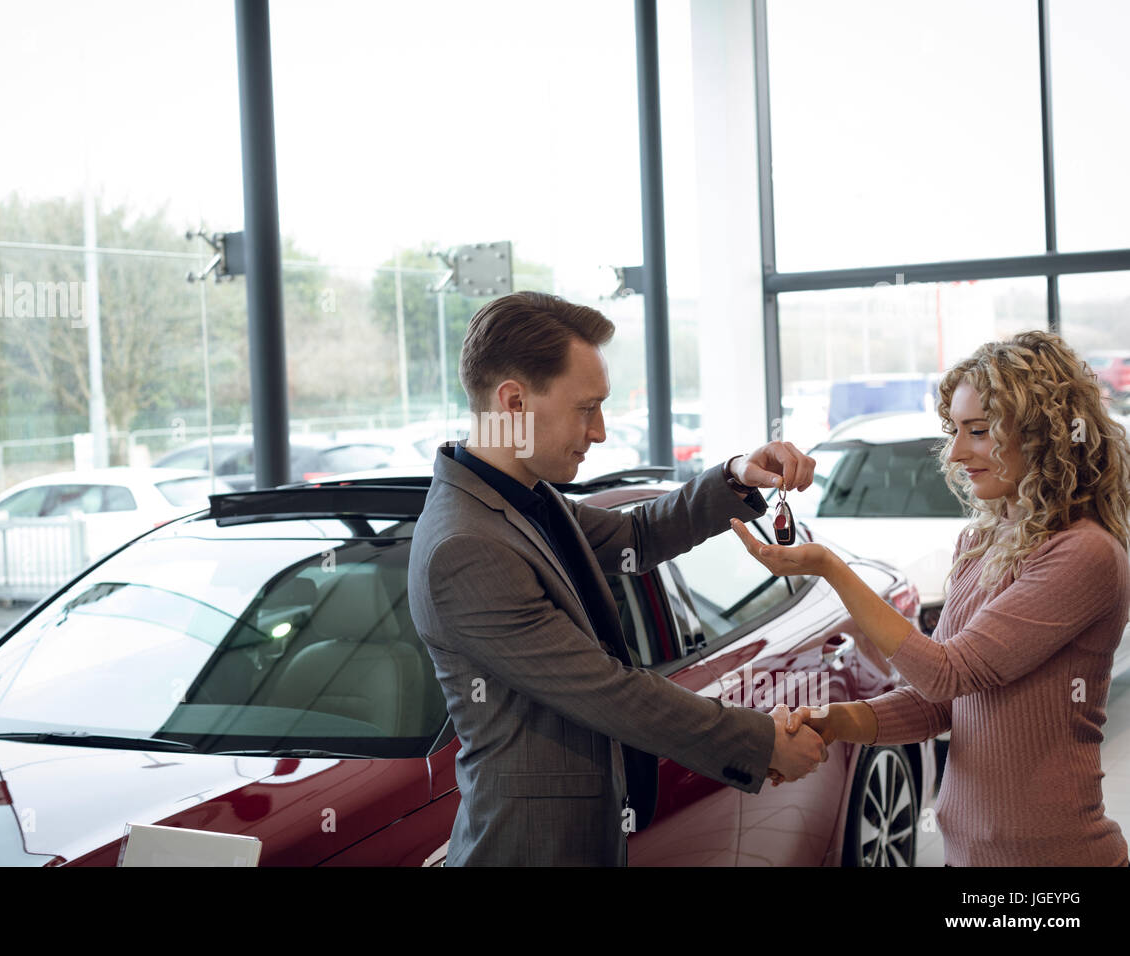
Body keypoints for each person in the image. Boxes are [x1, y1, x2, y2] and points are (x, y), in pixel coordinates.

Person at [406, 290, 827, 866]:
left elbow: (635, 540)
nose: (600, 431)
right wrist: (764, 742)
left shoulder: (522, 498)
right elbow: (610, 692)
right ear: (513, 401)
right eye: (587, 408)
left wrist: (736, 476)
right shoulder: (465, 546)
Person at [732, 329, 1130, 866]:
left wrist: (830, 567)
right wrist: (835, 721)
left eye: (980, 431)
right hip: (965, 856)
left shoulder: (1085, 554)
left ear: (1042, 435)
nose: (958, 451)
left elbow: (948, 671)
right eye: (956, 430)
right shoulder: (982, 541)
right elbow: (936, 702)